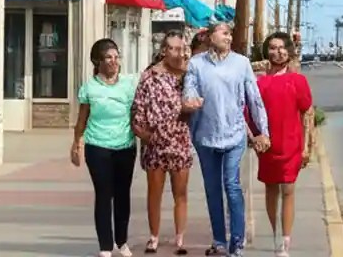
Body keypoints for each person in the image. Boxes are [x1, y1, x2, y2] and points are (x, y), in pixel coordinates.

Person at [183, 23, 271, 256]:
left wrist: (263, 131)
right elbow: (189, 91)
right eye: (224, 33)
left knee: (232, 186)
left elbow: (254, 98)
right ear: (210, 36)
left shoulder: (241, 63)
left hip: (234, 134)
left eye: (230, 33)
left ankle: (237, 242)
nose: (228, 37)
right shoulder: (196, 63)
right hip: (205, 135)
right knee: (212, 189)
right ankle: (219, 240)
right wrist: (190, 101)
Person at [72, 38, 138, 257]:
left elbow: (134, 116)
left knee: (122, 194)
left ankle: (122, 241)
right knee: (104, 194)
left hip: (125, 146)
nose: (114, 61)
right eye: (108, 57)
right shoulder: (90, 87)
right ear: (97, 61)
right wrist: (76, 143)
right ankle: (105, 246)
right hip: (97, 146)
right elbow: (82, 119)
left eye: (116, 57)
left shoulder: (128, 84)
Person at [254, 32, 314, 257]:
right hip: (268, 143)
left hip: (291, 143)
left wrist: (307, 145)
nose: (277, 51)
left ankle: (286, 241)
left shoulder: (298, 80)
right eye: (272, 47)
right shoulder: (260, 82)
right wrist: (256, 138)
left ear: (289, 51)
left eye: (281, 47)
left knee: (288, 189)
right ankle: (276, 234)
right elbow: (251, 111)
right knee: (271, 188)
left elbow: (307, 112)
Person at [133, 32, 193, 255]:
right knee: (154, 192)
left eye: (182, 49)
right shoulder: (149, 77)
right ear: (164, 51)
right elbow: (138, 110)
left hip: (180, 140)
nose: (179, 54)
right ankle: (154, 237)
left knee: (181, 192)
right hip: (156, 143)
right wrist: (144, 135)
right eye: (174, 49)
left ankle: (180, 239)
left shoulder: (188, 76)